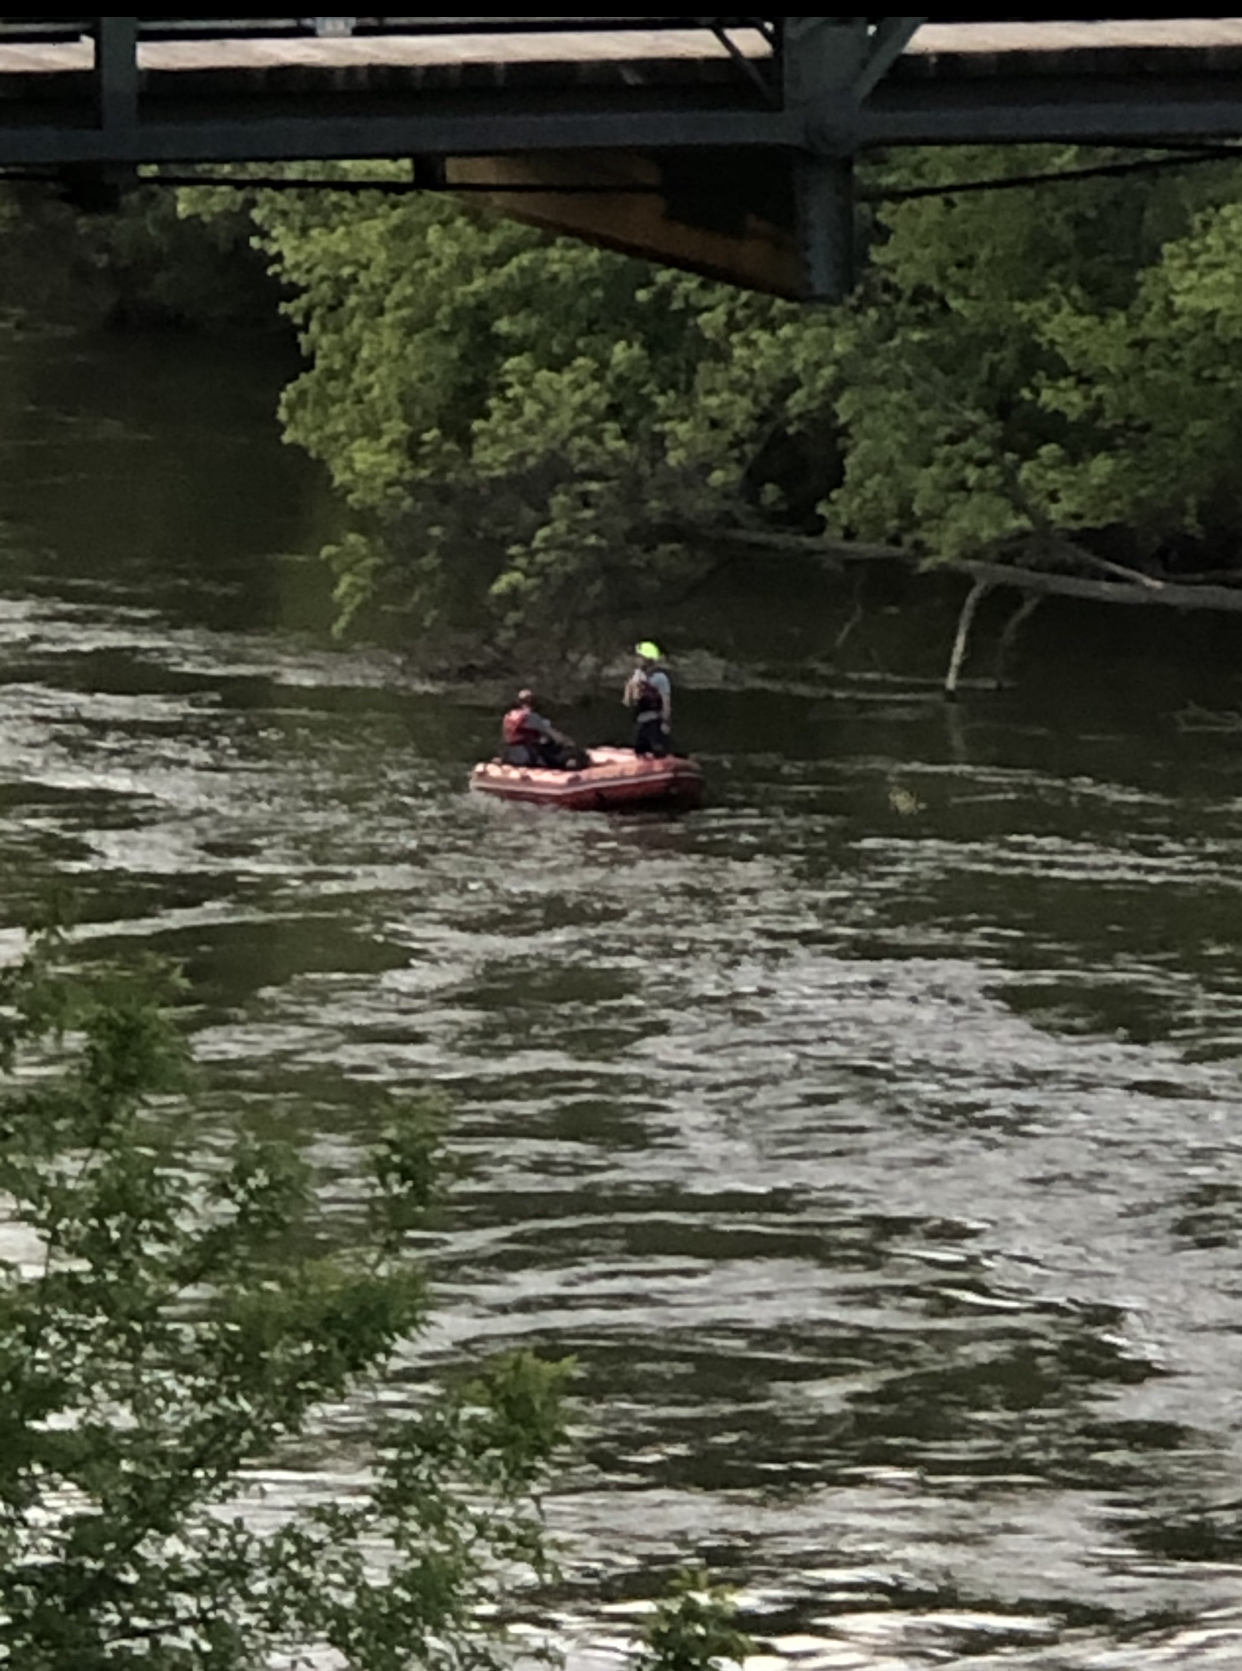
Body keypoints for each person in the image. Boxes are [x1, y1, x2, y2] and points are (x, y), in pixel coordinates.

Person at [499, 689, 589, 770]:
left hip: (511, 753)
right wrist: (569, 744)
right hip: (527, 755)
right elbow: (551, 733)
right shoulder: (530, 716)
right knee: (572, 755)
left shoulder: (509, 715)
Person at [622, 640, 673, 757]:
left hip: (654, 721)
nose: (635, 660)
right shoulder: (637, 677)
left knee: (656, 749)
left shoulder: (660, 678)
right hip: (640, 721)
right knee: (640, 750)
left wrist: (666, 721)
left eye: (639, 657)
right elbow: (628, 701)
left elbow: (666, 700)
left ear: (647, 659)